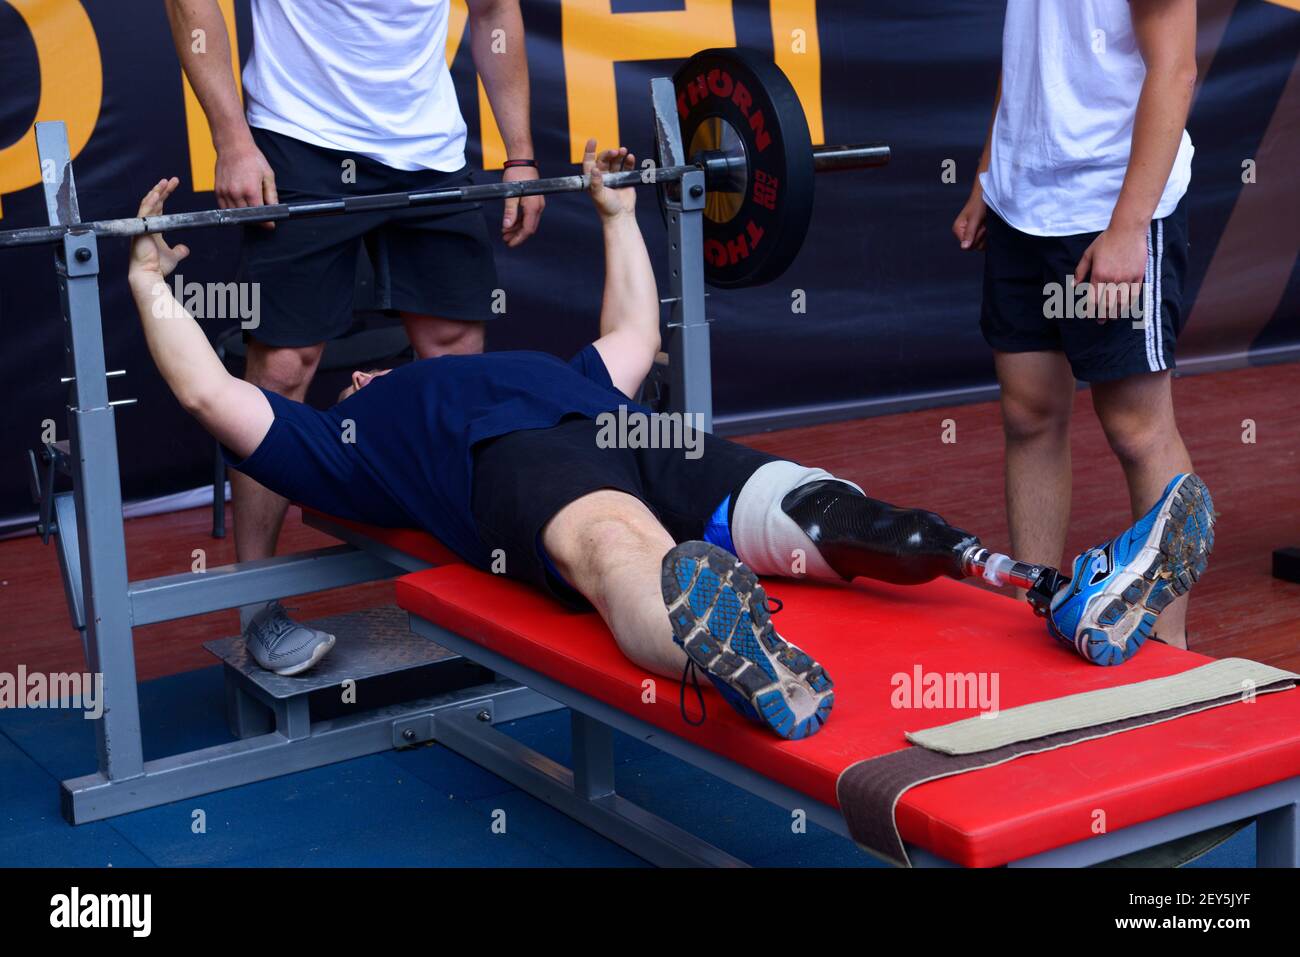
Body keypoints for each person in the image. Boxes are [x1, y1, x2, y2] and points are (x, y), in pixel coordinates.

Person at [126, 144, 1214, 740]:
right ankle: (726, 649)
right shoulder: (354, 435)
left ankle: (1052, 591)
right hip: (507, 469)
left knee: (819, 504)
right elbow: (221, 400)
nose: (372, 358)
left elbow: (633, 335)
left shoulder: (538, 363)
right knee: (616, 548)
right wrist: (141, 285)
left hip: (619, 423)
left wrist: (612, 215)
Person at [164, 0, 544, 655]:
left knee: (454, 362)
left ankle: (463, 582)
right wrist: (231, 137)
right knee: (283, 366)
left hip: (428, 147)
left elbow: (493, 12)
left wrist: (520, 157)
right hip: (296, 139)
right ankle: (255, 602)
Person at [952, 0, 1200, 647]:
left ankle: (1170, 653)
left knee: (1138, 430)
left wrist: (1128, 226)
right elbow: (1029, 60)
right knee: (1029, 414)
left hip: (1111, 202)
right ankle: (1035, 614)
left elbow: (1174, 68)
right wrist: (987, 174)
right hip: (1023, 199)